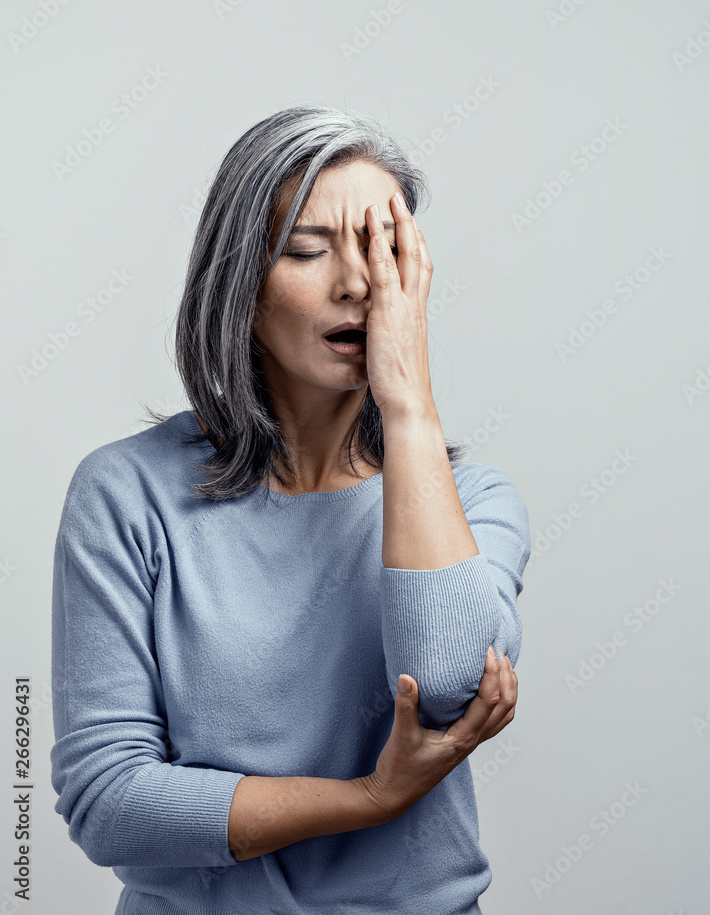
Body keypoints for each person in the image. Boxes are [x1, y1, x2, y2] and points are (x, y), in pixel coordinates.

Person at [49, 105, 531, 915]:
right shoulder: (124, 494)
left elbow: (446, 687)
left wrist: (409, 405)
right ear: (240, 285)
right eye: (309, 249)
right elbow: (109, 801)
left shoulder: (476, 503)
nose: (357, 284)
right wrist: (368, 798)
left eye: (384, 250)